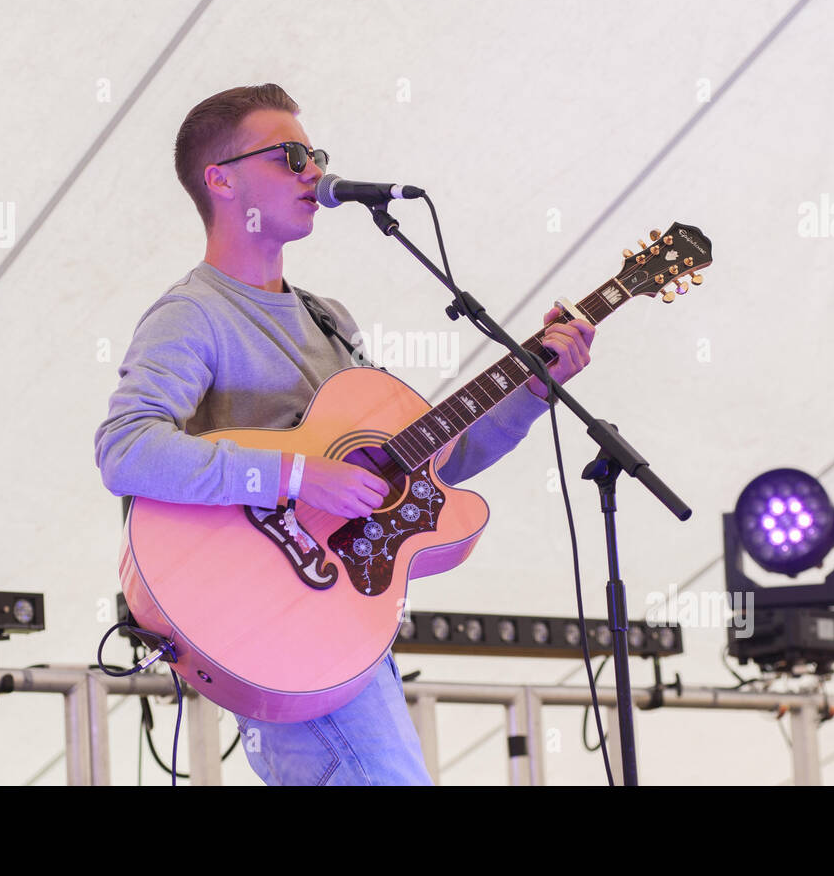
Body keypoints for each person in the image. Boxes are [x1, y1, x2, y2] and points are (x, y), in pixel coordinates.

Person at [94, 83, 595, 785]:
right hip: (271, 623)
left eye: (314, 154)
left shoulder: (331, 320)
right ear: (222, 179)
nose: (311, 171)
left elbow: (430, 465)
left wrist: (535, 387)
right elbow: (126, 448)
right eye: (290, 155)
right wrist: (298, 475)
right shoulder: (192, 315)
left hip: (343, 619)